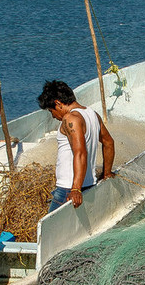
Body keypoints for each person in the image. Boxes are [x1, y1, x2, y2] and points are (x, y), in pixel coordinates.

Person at [38, 80, 116, 209]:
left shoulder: (71, 119)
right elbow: (109, 142)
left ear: (58, 103)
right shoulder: (93, 114)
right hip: (89, 185)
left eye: (51, 111)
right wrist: (106, 173)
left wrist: (75, 189)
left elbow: (80, 153)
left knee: (53, 228)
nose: (53, 116)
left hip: (68, 189)